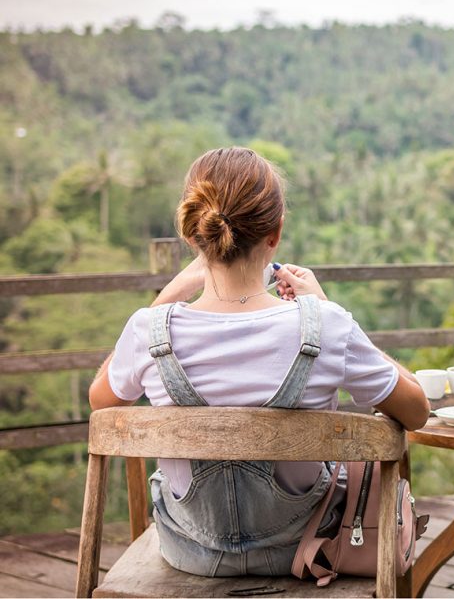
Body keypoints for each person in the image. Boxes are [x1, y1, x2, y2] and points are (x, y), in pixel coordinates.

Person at [88, 146, 430, 577]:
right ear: (276, 233)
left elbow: (101, 402)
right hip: (306, 546)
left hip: (188, 549)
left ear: (193, 234)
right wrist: (329, 309)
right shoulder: (326, 326)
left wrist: (169, 297)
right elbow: (416, 410)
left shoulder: (147, 331)